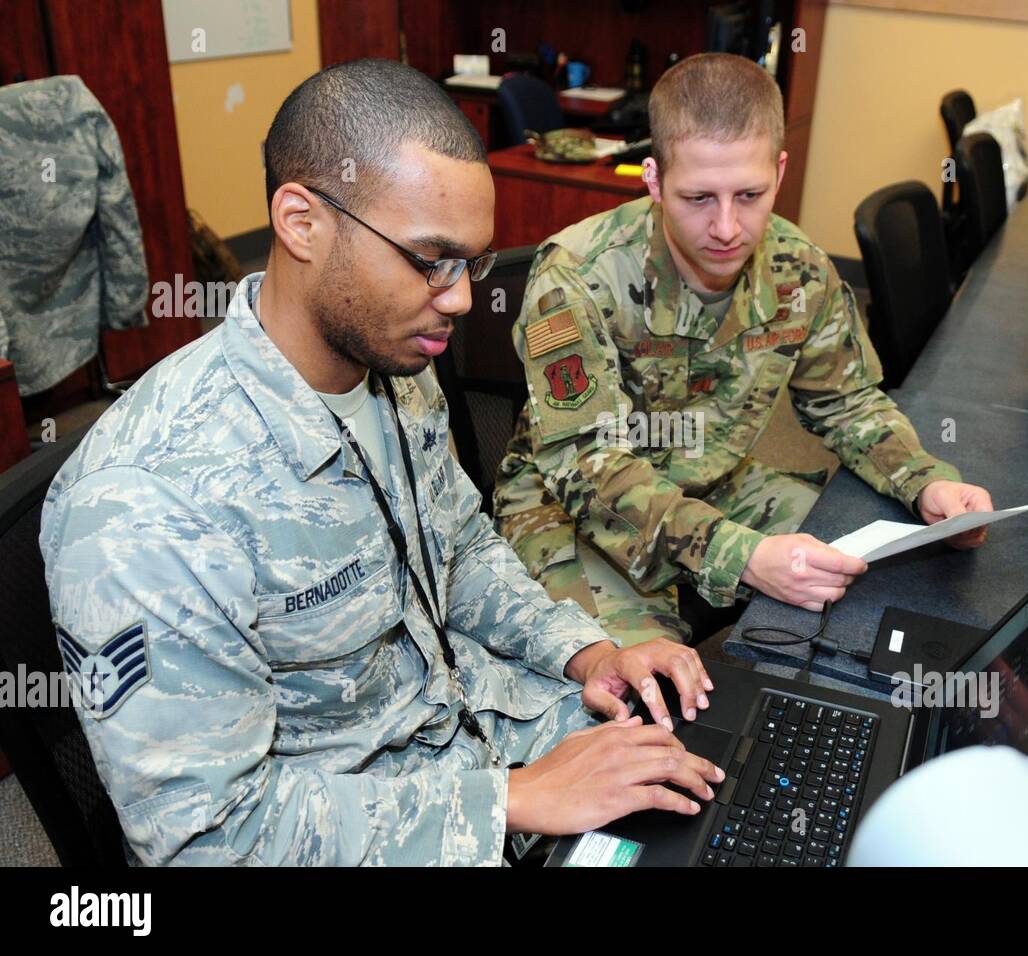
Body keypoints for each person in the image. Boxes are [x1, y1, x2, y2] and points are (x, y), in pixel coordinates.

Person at [40, 59, 722, 867]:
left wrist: (587, 654)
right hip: (358, 822)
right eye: (429, 259)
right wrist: (508, 801)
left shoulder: (392, 364)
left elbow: (460, 551)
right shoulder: (145, 506)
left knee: (719, 781)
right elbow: (207, 840)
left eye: (470, 262)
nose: (463, 298)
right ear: (300, 221)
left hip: (475, 723)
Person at [495, 53, 994, 645]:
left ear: (780, 173)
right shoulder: (577, 277)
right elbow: (586, 466)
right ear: (653, 180)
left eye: (750, 194)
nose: (728, 228)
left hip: (717, 482)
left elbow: (847, 402)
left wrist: (925, 481)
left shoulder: (798, 266)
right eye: (699, 198)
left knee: (874, 573)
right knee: (643, 691)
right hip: (575, 510)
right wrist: (742, 555)